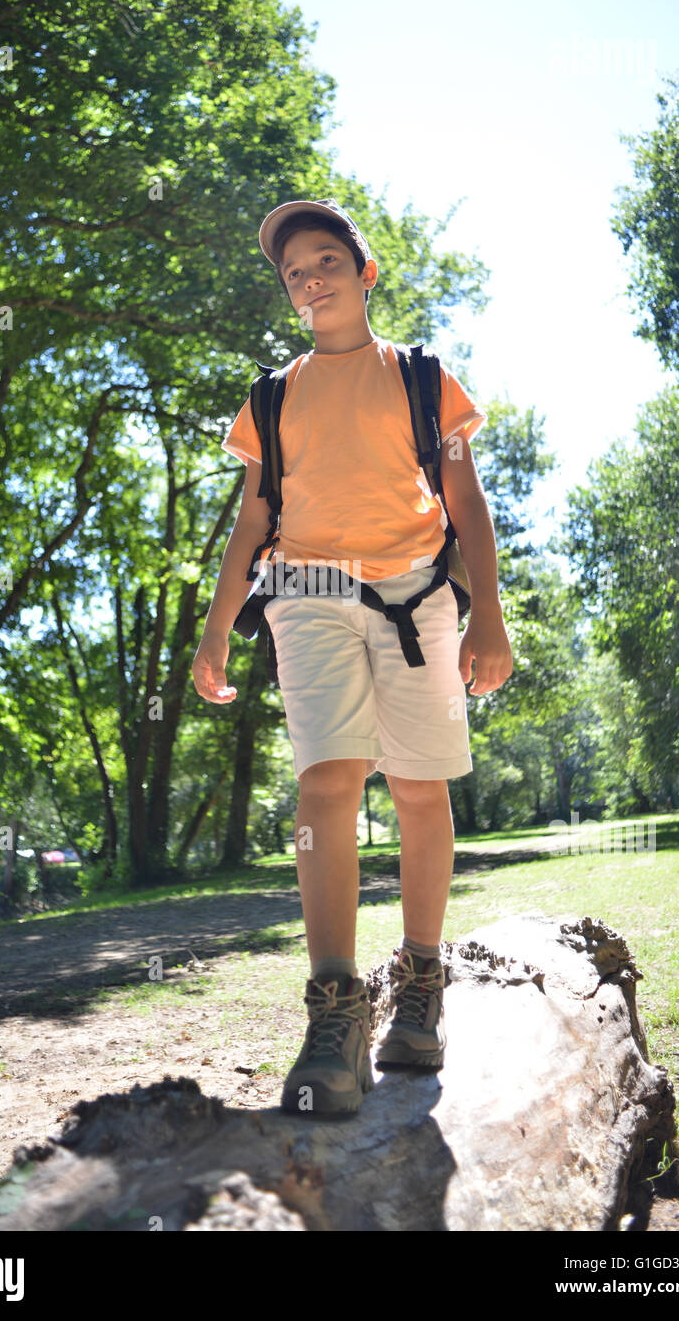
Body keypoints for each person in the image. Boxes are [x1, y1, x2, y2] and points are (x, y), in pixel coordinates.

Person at [192, 198, 513, 1116]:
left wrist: (488, 617)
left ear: (364, 272)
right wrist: (216, 628)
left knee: (417, 784)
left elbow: (465, 502)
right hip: (306, 592)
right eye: (293, 272)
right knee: (327, 781)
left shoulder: (421, 378)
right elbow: (254, 518)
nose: (310, 280)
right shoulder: (271, 397)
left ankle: (420, 986)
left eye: (326, 261)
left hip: (417, 595)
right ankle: (334, 1008)